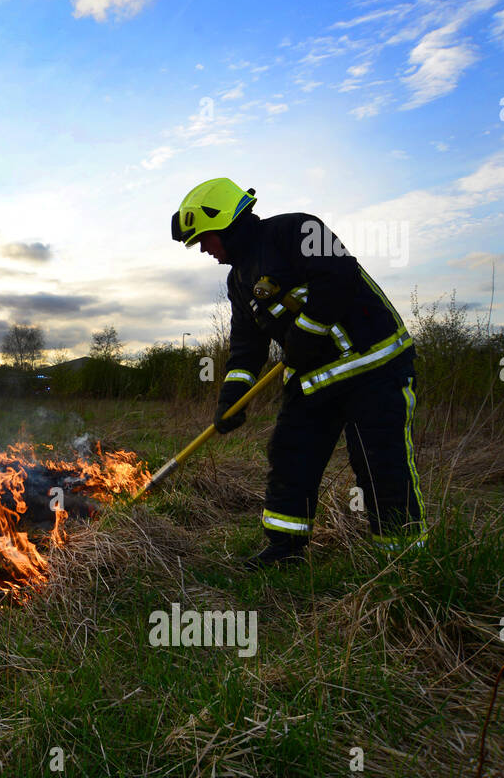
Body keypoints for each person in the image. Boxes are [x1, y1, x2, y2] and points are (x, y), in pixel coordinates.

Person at [170, 178, 426, 569]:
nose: (204, 249)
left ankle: (404, 560)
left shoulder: (296, 230)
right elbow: (246, 347)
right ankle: (284, 550)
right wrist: (230, 398)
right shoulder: (238, 280)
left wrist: (306, 333)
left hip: (373, 367)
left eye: (205, 238)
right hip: (312, 380)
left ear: (225, 224)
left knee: (379, 462)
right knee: (291, 456)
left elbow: (340, 275)